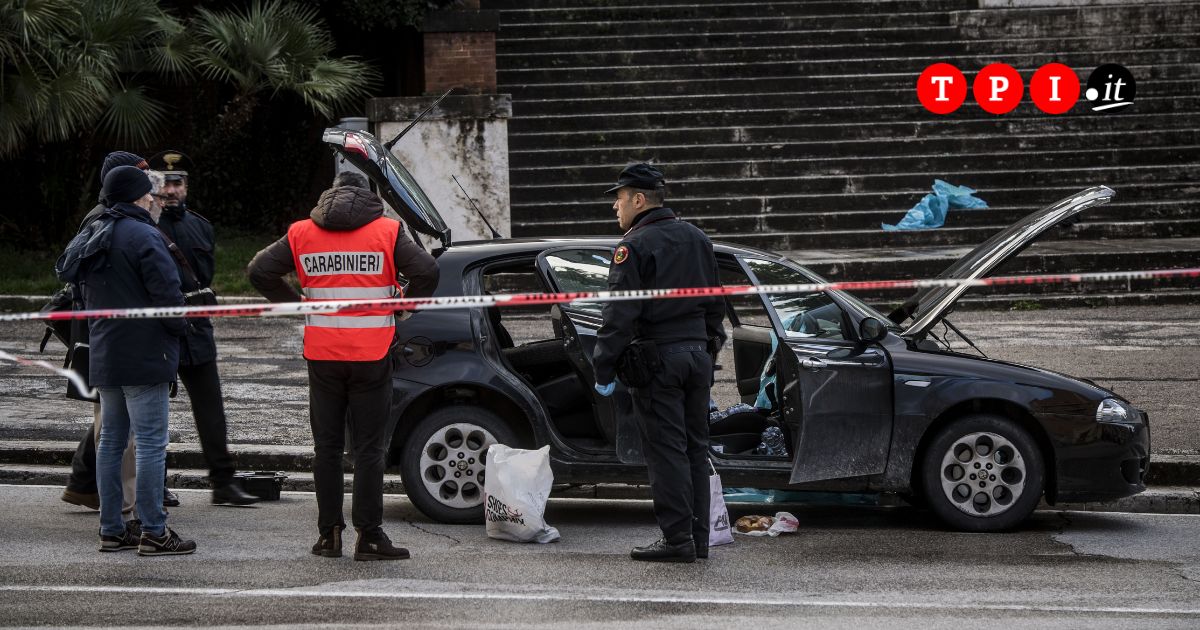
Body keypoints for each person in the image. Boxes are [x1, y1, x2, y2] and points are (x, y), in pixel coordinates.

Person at [247, 171, 438, 560]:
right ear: (368, 196)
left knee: (327, 448)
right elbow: (427, 271)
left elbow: (259, 271)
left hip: (323, 357)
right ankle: (369, 537)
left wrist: (295, 305)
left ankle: (328, 535)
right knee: (368, 450)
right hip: (371, 355)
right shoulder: (387, 231)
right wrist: (403, 306)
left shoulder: (302, 232)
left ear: (330, 194)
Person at [56, 165, 196, 555]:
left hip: (104, 352)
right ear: (135, 195)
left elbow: (79, 294)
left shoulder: (92, 232)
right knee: (151, 443)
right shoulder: (145, 235)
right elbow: (168, 296)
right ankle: (154, 529)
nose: (153, 197)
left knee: (111, 442)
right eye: (147, 192)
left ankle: (112, 528)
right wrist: (182, 329)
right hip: (145, 353)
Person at [592, 163, 726, 563]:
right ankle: (698, 540)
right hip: (697, 356)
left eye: (619, 199)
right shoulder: (697, 237)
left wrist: (603, 367)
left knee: (667, 452)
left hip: (659, 361)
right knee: (695, 449)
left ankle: (677, 540)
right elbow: (716, 303)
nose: (615, 207)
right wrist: (708, 349)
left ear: (638, 199)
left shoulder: (633, 246)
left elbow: (619, 313)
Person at [143, 149, 259, 507]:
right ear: (152, 185)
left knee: (211, 407)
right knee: (148, 410)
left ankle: (223, 482)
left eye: (177, 183)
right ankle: (141, 481)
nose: (171, 190)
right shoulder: (144, 226)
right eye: (164, 183)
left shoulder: (201, 225)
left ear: (187, 186)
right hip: (158, 329)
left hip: (196, 328)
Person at [60, 151, 153, 515]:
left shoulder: (107, 217)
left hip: (107, 337)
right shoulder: (106, 221)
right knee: (116, 428)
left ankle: (103, 493)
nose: (150, 187)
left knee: (114, 424)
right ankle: (122, 505)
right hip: (112, 339)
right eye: (141, 178)